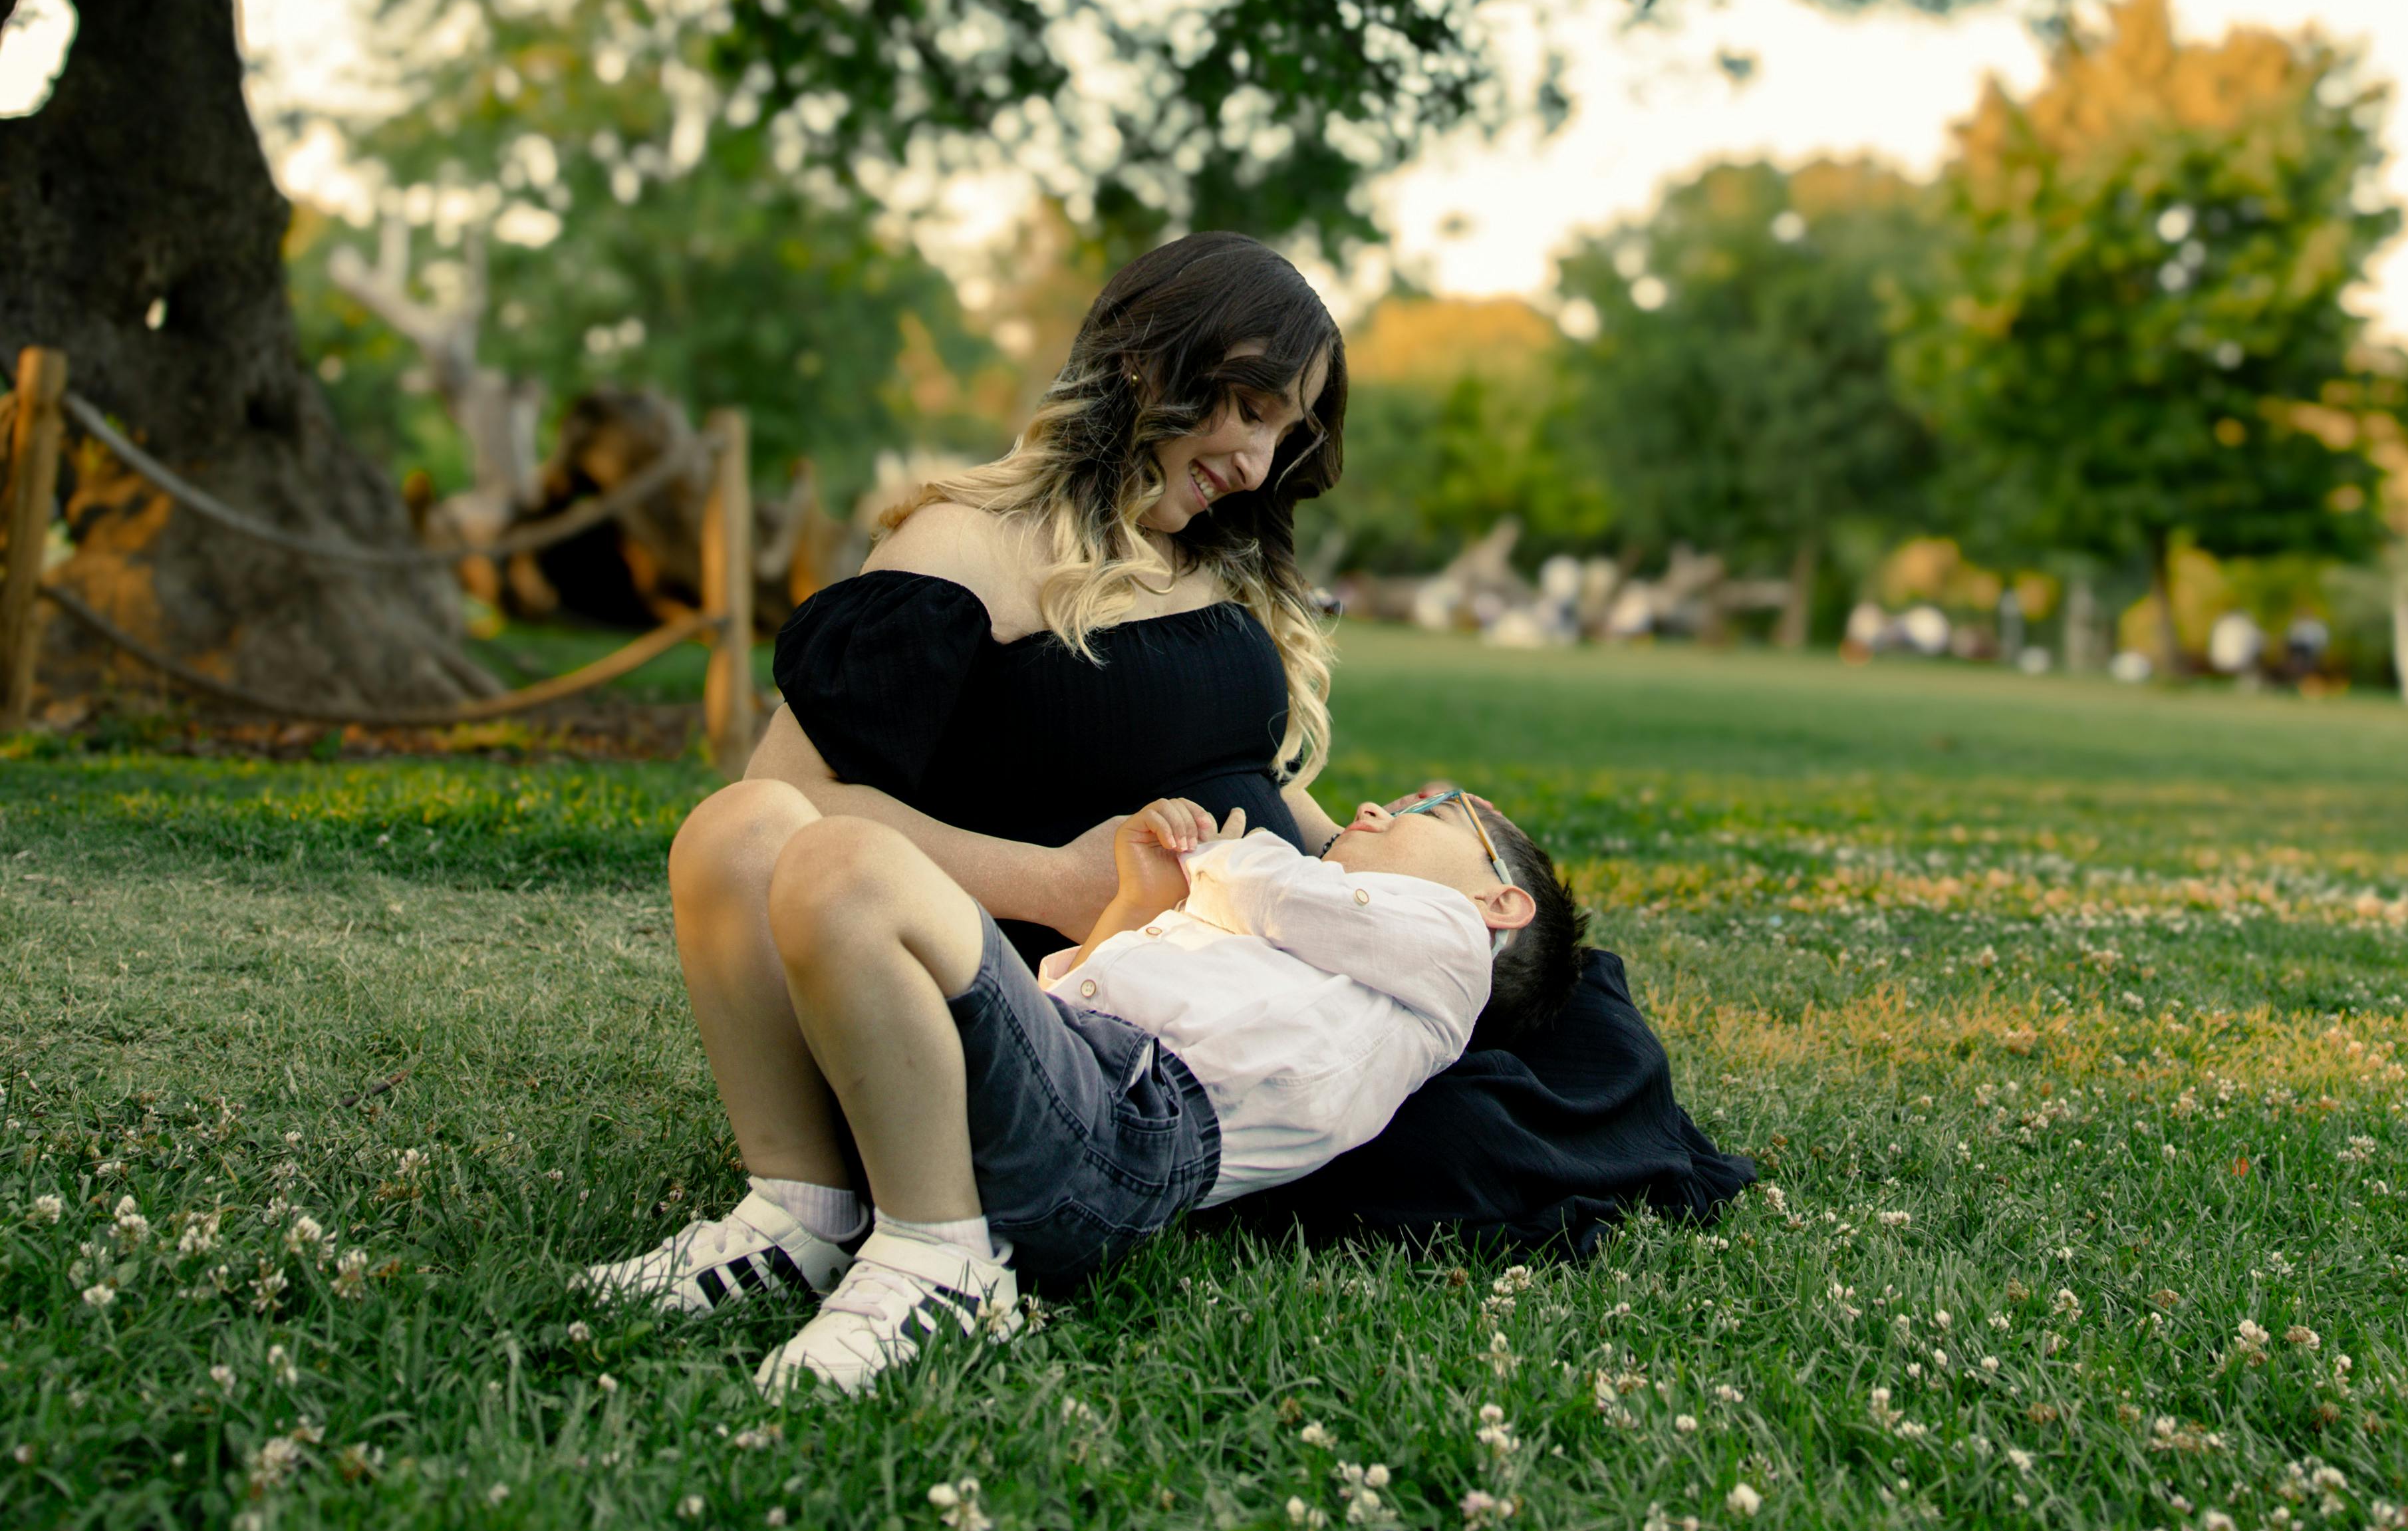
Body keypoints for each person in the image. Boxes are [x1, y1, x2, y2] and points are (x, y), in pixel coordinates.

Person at [590, 227, 1748, 1308]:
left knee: (1575, 1003)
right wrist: (1049, 881)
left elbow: (1241, 771)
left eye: (1282, 431)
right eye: (1244, 409)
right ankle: (855, 1200)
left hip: (1270, 959)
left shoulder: (1202, 556)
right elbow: (780, 806)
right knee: (1457, 1133)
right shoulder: (964, 550)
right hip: (1102, 984)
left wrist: (1373, 873)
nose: (1253, 465)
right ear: (1146, 363)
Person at [590, 777, 1581, 1392]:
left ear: (1499, 898)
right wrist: (1136, 908)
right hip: (1081, 1079)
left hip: (1130, 1140)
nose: (1376, 807)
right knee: (747, 822)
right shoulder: (1309, 934)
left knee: (846, 864)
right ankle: (802, 1207)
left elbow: (1273, 892)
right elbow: (1070, 1005)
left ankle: (941, 1260)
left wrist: (1224, 859)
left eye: (1426, 808)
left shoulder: (1448, 952)